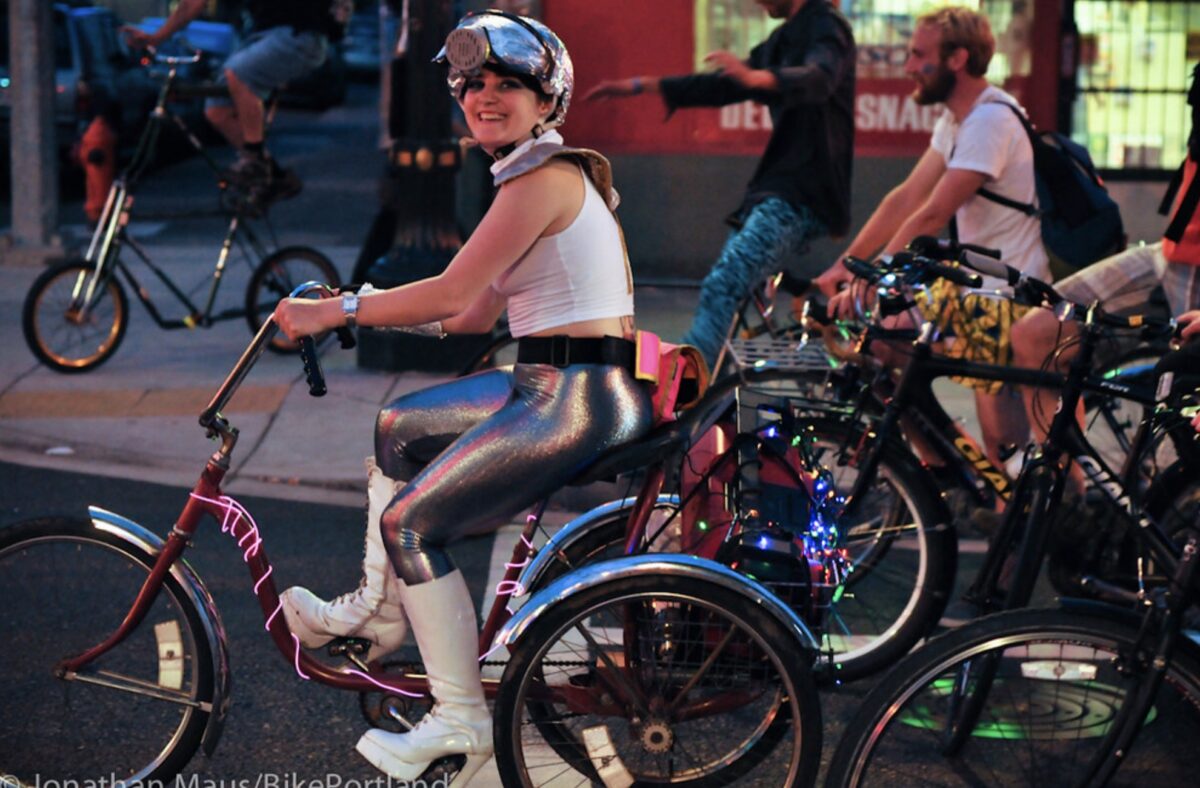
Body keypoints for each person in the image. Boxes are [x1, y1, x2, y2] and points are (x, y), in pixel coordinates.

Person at [273, 12, 652, 781]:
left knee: (412, 522)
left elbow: (452, 289)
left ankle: (460, 720)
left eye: (507, 85)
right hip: (554, 381)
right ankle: (378, 616)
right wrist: (366, 303)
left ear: (546, 101)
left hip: (574, 397)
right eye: (472, 84)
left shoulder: (543, 177)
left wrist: (336, 312)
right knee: (399, 425)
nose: (484, 97)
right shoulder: (527, 174)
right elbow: (472, 313)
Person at [818, 5, 1046, 471]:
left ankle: (991, 483)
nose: (907, 67)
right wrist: (848, 264)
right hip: (965, 286)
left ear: (957, 59)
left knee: (1004, 464)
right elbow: (905, 199)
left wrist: (872, 279)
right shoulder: (958, 120)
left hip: (1003, 295)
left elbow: (933, 214)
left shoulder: (990, 121)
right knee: (875, 346)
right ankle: (944, 470)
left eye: (918, 54)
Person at [584, 0, 855, 368]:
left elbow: (818, 78)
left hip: (803, 194)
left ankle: (686, 386)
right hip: (777, 190)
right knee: (732, 290)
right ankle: (719, 397)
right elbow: (722, 86)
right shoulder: (785, 38)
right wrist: (639, 86)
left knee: (724, 283)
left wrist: (757, 78)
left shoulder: (827, 25)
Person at [1012, 63, 1200, 464]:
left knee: (1174, 449)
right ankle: (1064, 498)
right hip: (1168, 253)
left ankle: (1168, 516)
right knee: (1037, 332)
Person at [123, 0, 343, 198]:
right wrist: (156, 37)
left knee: (238, 73)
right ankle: (274, 176)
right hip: (264, 36)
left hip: (298, 35)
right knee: (217, 110)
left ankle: (254, 159)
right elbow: (193, 4)